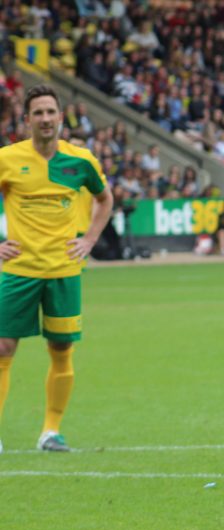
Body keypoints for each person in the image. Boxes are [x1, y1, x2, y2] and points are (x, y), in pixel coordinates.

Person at [0, 85, 113, 454]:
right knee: (2, 348)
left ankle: (51, 431)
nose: (45, 119)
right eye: (38, 113)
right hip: (18, 269)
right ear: (27, 119)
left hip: (64, 270)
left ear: (61, 117)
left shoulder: (80, 161)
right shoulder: (8, 159)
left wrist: (90, 241)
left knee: (61, 348)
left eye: (51, 112)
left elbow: (104, 199)